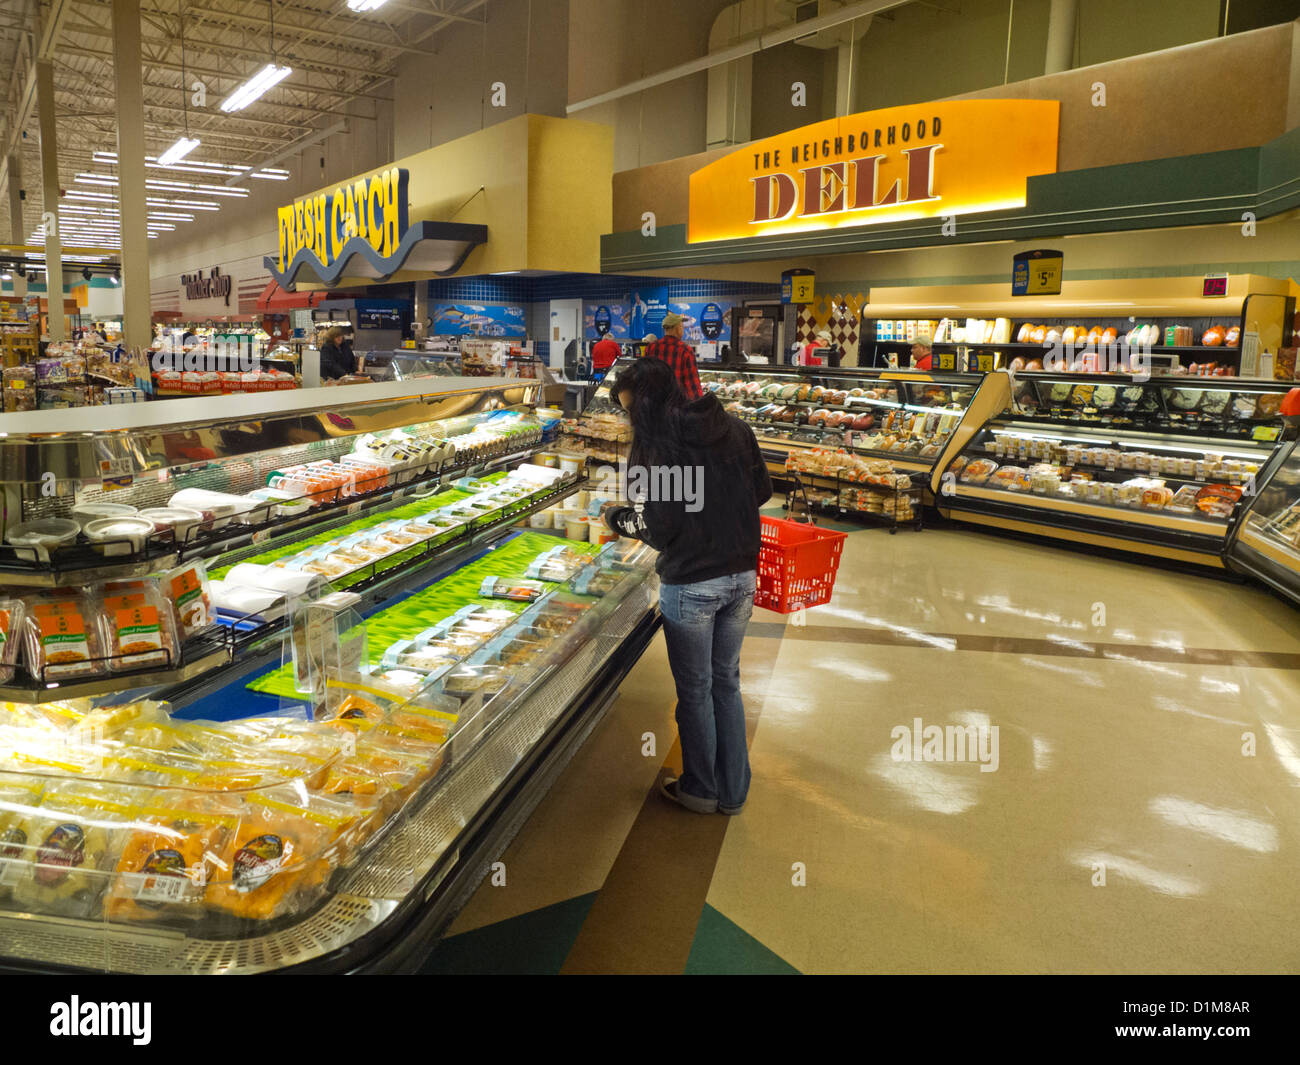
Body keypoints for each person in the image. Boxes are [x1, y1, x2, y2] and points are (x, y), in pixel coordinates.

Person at [602, 357, 772, 815]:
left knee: (695, 690)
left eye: (630, 411)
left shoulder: (659, 447)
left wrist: (618, 518)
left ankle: (700, 790)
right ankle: (732, 793)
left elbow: (657, 528)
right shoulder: (735, 428)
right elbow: (761, 492)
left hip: (693, 583)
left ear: (646, 405)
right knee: (726, 684)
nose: (631, 420)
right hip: (741, 574)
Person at [641, 312, 702, 399]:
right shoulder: (685, 350)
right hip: (675, 405)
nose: (683, 330)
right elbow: (692, 383)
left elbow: (644, 376)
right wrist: (700, 406)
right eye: (682, 327)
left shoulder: (650, 347)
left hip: (653, 403)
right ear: (677, 329)